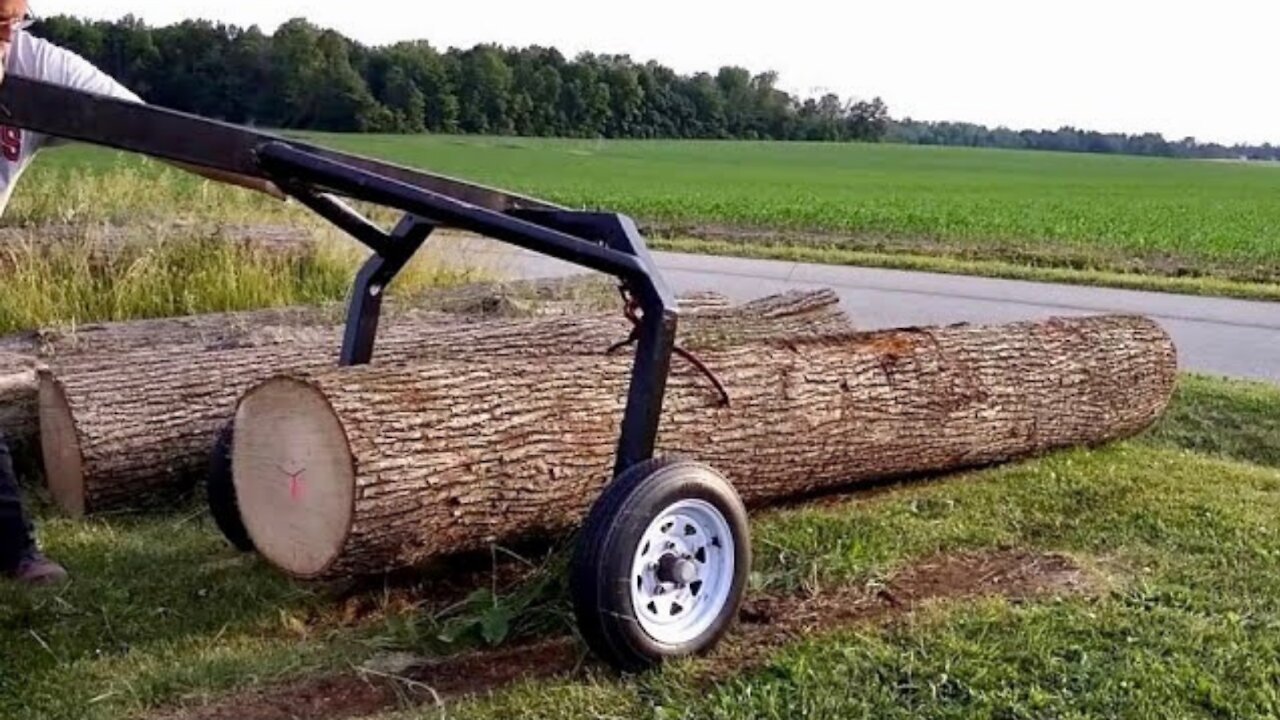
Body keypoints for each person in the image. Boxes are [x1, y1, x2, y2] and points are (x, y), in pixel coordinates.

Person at [0, 1, 283, 584]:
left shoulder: (37, 69)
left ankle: (11, 551)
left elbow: (152, 131)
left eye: (7, 25)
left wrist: (280, 177)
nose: (4, 38)